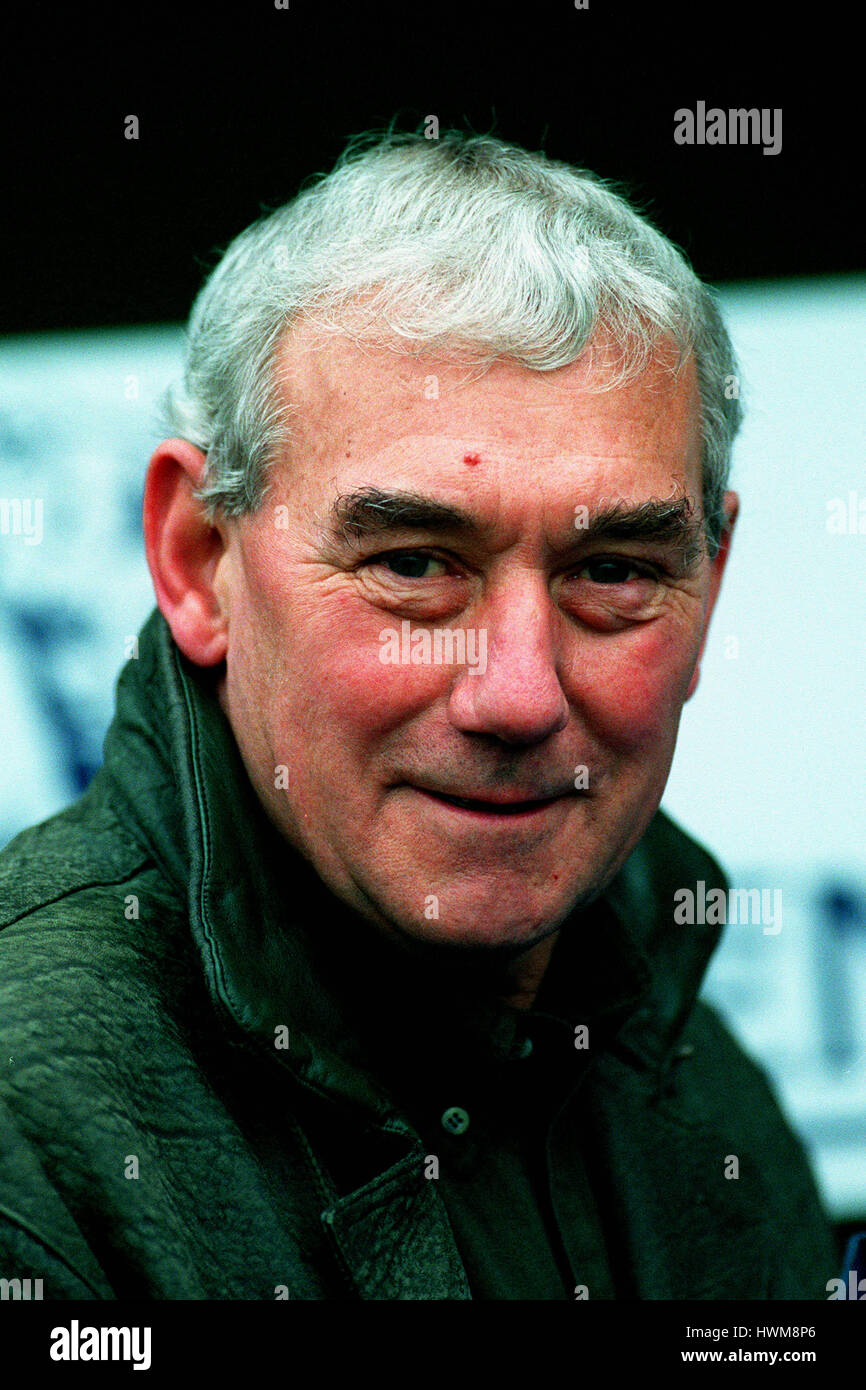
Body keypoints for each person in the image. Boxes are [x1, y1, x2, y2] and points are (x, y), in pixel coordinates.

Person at [0, 129, 837, 1300]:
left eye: (612, 572)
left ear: (711, 582)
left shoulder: (687, 1077)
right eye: (412, 562)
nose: (517, 693)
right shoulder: (29, 1140)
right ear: (198, 560)